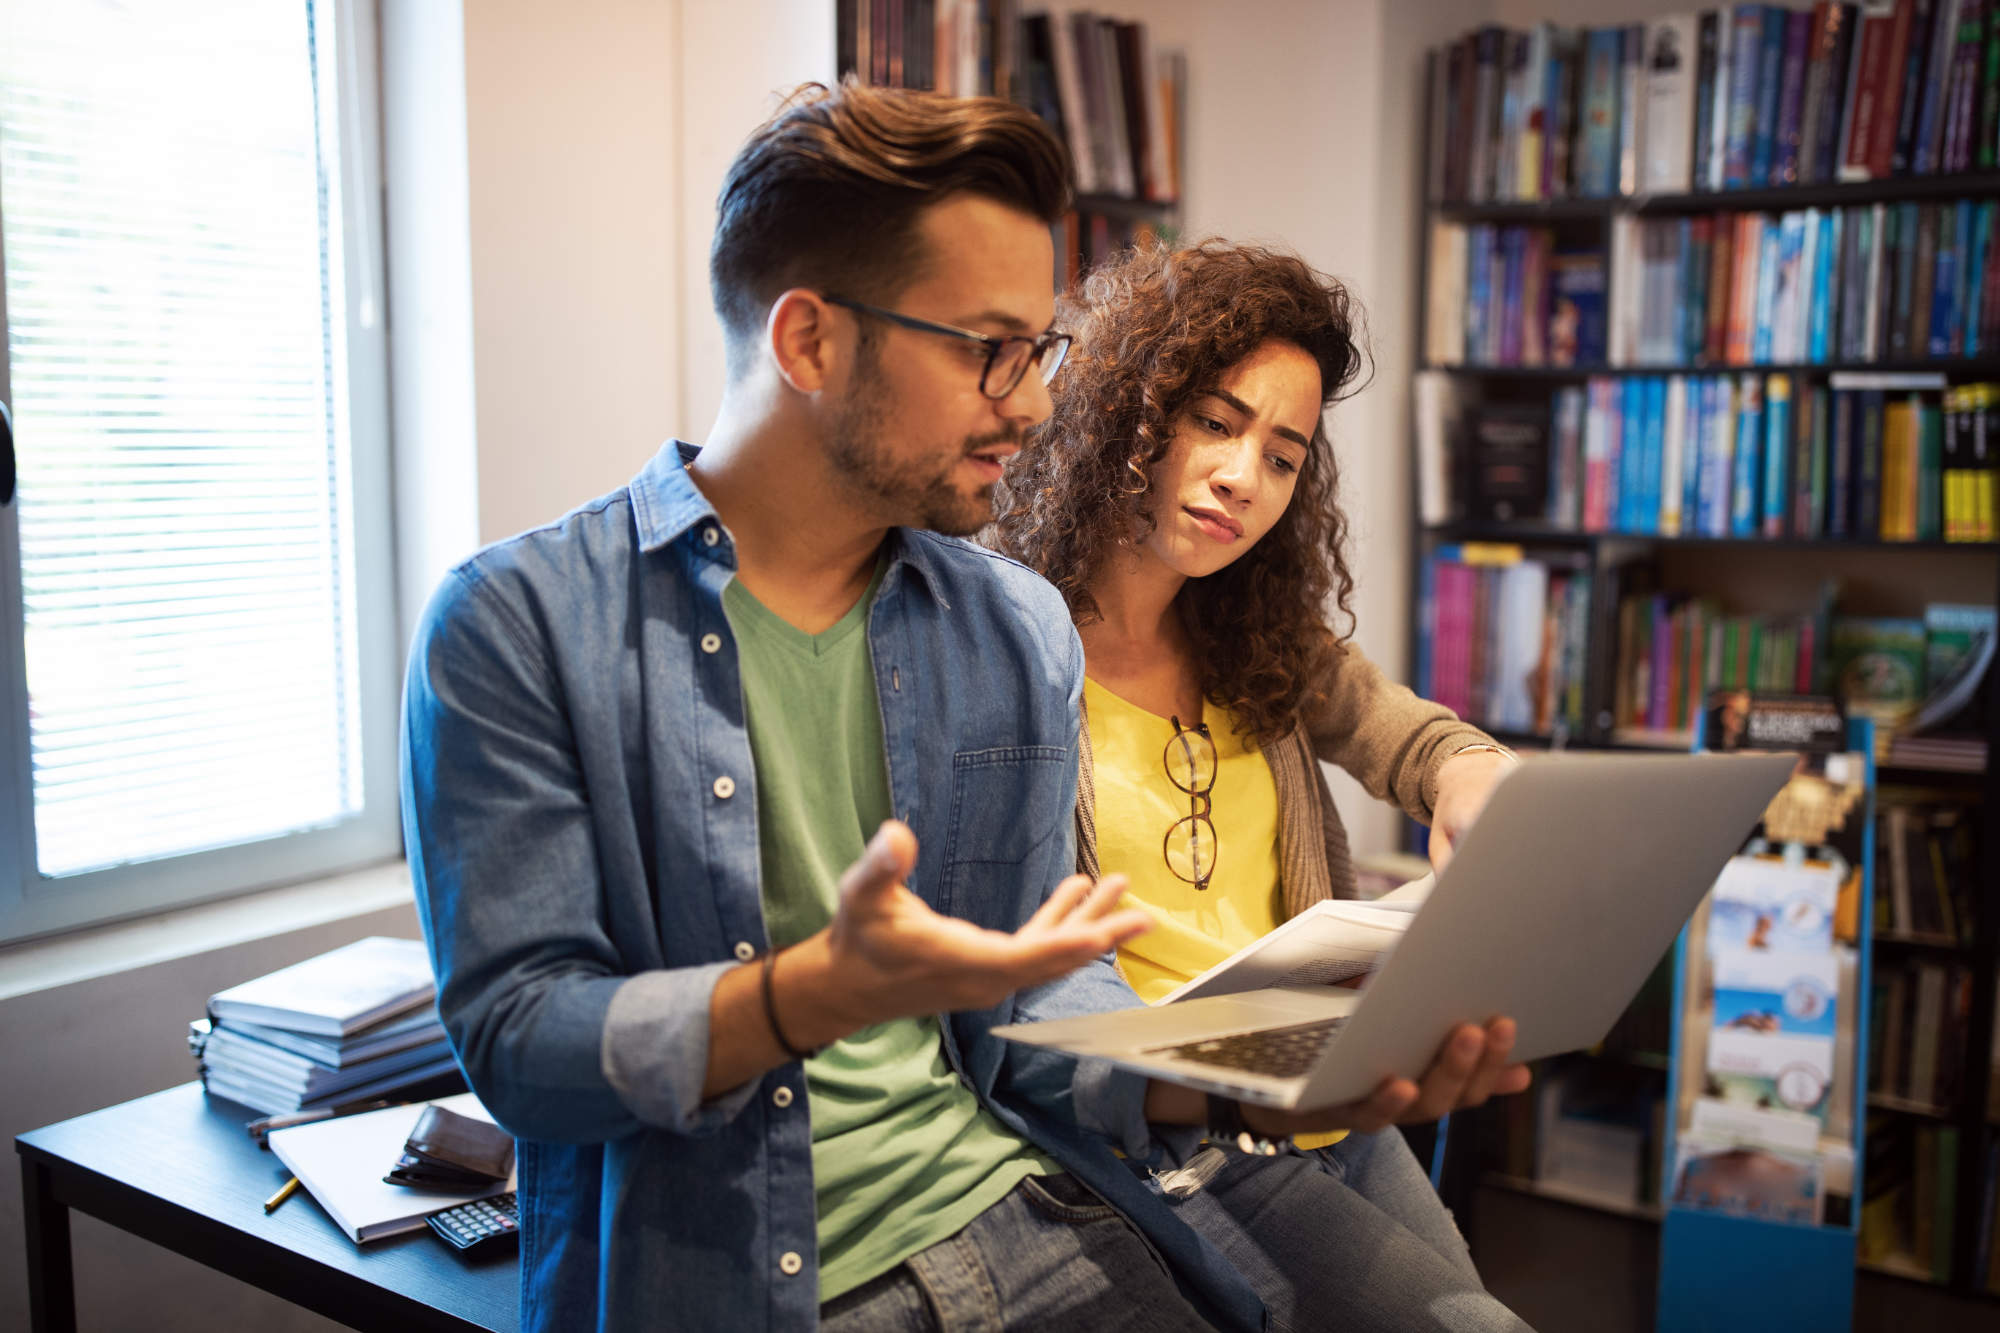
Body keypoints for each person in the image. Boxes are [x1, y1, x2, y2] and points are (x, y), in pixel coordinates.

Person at [404, 81, 1521, 1333]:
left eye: (1037, 351)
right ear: (810, 342)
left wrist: (1253, 1082)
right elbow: (517, 1048)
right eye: (988, 348)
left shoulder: (1004, 624)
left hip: (1028, 1216)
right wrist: (800, 997)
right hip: (732, 1280)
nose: (1037, 401)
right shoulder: (515, 625)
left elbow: (1034, 1008)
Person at [995, 239, 1535, 1330]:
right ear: (1125, 410)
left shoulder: (1256, 632)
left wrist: (1474, 772)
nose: (1244, 478)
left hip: (1327, 1081)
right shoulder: (1003, 642)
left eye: (1283, 457)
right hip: (1169, 1123)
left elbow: (1413, 740)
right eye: (1214, 422)